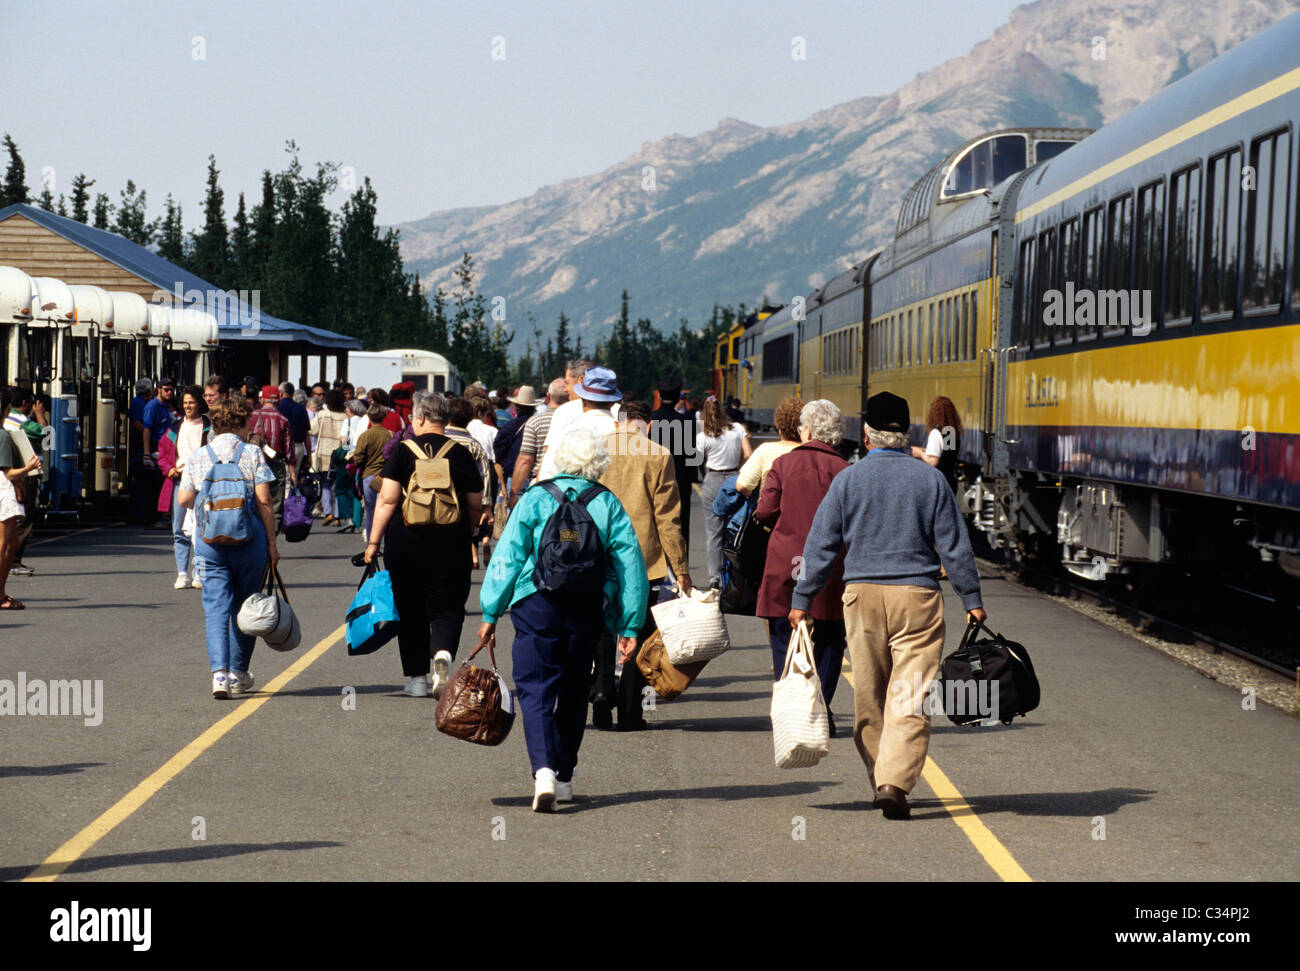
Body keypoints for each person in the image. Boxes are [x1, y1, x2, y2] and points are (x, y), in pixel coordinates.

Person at [790, 392, 986, 820]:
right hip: (916, 597)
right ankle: (894, 781)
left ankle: (883, 778)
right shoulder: (929, 481)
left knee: (871, 696)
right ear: (908, 434)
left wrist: (802, 599)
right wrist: (971, 599)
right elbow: (955, 546)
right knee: (911, 694)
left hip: (861, 597)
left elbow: (820, 545)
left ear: (866, 435)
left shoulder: (848, 479)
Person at [477, 427, 648, 811]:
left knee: (535, 687)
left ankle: (543, 772)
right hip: (586, 606)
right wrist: (630, 624)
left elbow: (508, 556)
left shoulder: (537, 497)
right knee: (573, 689)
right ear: (598, 463)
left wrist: (491, 610)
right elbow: (629, 565)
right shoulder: (607, 503)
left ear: (559, 459)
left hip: (535, 602)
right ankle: (565, 774)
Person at [364, 392, 483, 698]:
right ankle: (442, 655)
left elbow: (387, 499)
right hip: (450, 541)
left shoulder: (404, 451)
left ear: (419, 418)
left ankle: (417, 678)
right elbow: (474, 504)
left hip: (406, 542)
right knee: (448, 604)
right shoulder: (461, 453)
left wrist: (373, 541)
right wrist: (466, 534)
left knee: (410, 606)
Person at [592, 397, 692, 731]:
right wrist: (680, 567)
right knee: (640, 633)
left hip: (600, 553)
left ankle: (602, 691)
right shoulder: (657, 454)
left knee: (603, 627)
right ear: (647, 424)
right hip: (644, 558)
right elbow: (667, 517)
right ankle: (631, 712)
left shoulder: (596, 448)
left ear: (619, 421)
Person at [755, 399, 849, 730]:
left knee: (784, 634)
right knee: (830, 636)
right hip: (830, 566)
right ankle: (819, 707)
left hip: (787, 561)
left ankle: (791, 709)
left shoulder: (783, 464)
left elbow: (765, 512)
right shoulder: (846, 471)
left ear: (806, 430)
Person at [176, 399, 279, 699]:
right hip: (249, 542)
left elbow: (183, 499)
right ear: (239, 424)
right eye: (248, 424)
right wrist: (272, 544)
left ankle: (219, 675)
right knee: (246, 607)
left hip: (210, 544)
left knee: (216, 608)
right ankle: (238, 673)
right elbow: (264, 500)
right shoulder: (251, 453)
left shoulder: (198, 456)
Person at [157, 386, 211, 590]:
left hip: (202, 484)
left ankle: (198, 573)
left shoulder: (209, 427)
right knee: (178, 529)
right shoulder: (174, 428)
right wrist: (168, 469)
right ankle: (182, 573)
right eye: (185, 402)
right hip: (180, 483)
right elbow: (162, 451)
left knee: (201, 530)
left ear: (199, 403)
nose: (188, 406)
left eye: (192, 402)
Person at [696, 396, 752, 588]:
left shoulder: (703, 436)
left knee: (714, 533)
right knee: (735, 530)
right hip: (733, 480)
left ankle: (715, 578)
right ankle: (736, 576)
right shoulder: (737, 429)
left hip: (712, 480)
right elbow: (748, 454)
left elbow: (697, 459)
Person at [0, 387, 41, 608]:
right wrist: (29, 467)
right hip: (3, 491)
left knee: (11, 541)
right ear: (6, 408)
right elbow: (7, 472)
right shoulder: (4, 435)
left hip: (7, 488)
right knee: (5, 542)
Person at [649, 371, 697, 555]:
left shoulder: (651, 421)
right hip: (680, 480)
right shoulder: (688, 422)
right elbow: (693, 456)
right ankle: (681, 573)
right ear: (679, 396)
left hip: (655, 480)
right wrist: (691, 480)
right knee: (681, 526)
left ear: (659, 395)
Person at [445, 396, 496, 567]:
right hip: (464, 504)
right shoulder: (474, 446)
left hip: (434, 502)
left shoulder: (438, 439)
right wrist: (487, 507)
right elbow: (485, 477)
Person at [536, 359, 593, 481]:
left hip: (571, 489)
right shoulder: (622, 412)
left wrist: (539, 484)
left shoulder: (564, 411)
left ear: (581, 381)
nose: (565, 389)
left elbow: (549, 458)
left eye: (567, 383)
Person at [736, 395, 803, 497]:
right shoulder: (812, 451)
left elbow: (742, 486)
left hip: (771, 510)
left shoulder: (765, 450)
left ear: (779, 427)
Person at [512, 377, 567, 500]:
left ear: (548, 397)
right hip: (570, 486)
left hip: (540, 484)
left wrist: (514, 492)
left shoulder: (535, 422)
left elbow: (526, 460)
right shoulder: (576, 420)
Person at [249, 385, 295, 529]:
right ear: (279, 399)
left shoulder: (251, 416)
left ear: (262, 399)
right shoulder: (283, 419)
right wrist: (292, 472)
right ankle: (271, 537)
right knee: (274, 502)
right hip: (275, 463)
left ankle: (257, 535)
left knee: (255, 499)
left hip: (253, 462)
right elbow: (289, 450)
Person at [351, 400, 393, 540]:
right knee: (386, 511)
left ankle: (371, 542)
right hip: (386, 477)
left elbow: (358, 458)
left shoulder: (366, 436)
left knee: (370, 513)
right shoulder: (390, 435)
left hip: (368, 476)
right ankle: (386, 540)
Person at [310, 389, 348, 526]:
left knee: (326, 484)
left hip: (324, 454)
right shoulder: (346, 417)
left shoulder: (322, 414)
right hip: (340, 454)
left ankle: (328, 512)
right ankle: (338, 516)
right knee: (338, 485)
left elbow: (312, 430)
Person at [493, 386, 536, 505]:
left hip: (515, 476)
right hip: (536, 477)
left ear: (517, 407)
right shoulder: (539, 424)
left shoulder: (509, 427)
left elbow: (498, 451)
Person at [912, 395, 962, 495]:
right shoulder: (950, 433)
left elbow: (933, 461)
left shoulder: (936, 433)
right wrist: (927, 451)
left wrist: (919, 454)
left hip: (937, 483)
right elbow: (946, 456)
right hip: (950, 481)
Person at [334, 398, 369, 533]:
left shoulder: (347, 421)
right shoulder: (363, 420)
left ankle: (347, 518)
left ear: (350, 409)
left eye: (347, 408)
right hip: (360, 456)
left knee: (340, 489)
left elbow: (344, 440)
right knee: (356, 490)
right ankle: (356, 520)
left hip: (348, 456)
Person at [276, 381, 310, 480]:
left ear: (281, 393)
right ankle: (291, 495)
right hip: (298, 447)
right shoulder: (302, 409)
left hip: (281, 448)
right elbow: (306, 434)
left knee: (280, 479)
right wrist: (309, 455)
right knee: (292, 478)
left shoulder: (277, 408)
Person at [467, 397, 499, 466]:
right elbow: (496, 458)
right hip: (487, 466)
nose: (487, 418)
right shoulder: (492, 431)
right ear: (480, 414)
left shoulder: (464, 429)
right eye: (487, 414)